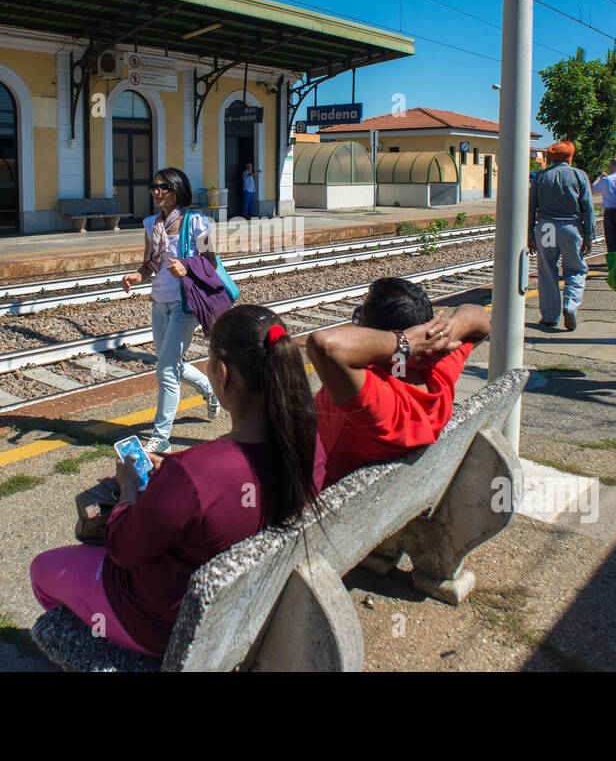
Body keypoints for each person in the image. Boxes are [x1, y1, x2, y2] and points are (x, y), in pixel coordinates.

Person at [30, 306, 324, 658]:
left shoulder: (195, 475)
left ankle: (111, 657)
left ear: (222, 374)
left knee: (42, 569)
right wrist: (175, 469)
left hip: (167, 628)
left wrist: (127, 488)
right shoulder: (309, 446)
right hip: (252, 602)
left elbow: (123, 548)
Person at [306, 278, 490, 486]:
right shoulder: (437, 372)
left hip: (319, 490)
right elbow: (479, 317)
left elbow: (324, 345)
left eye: (359, 320)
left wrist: (405, 342)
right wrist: (443, 332)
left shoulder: (379, 401)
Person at [121, 168, 219, 452]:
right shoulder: (151, 223)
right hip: (159, 303)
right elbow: (149, 265)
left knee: (164, 370)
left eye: (163, 187)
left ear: (177, 191)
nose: (157, 191)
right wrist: (136, 277)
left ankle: (161, 439)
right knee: (170, 365)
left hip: (184, 305)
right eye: (154, 186)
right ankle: (210, 391)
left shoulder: (197, 222)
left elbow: (210, 260)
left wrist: (187, 265)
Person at [528, 141, 595, 331]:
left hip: (546, 227)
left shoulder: (540, 176)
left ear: (550, 158)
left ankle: (549, 317)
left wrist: (530, 234)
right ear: (570, 156)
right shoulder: (579, 175)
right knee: (575, 269)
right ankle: (570, 305)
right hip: (570, 228)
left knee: (547, 270)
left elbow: (531, 207)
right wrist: (589, 235)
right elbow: (588, 208)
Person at [591, 157, 616, 253]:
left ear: (613, 166)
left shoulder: (605, 180)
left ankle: (612, 265)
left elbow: (593, 189)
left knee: (611, 244)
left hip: (610, 213)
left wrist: (599, 177)